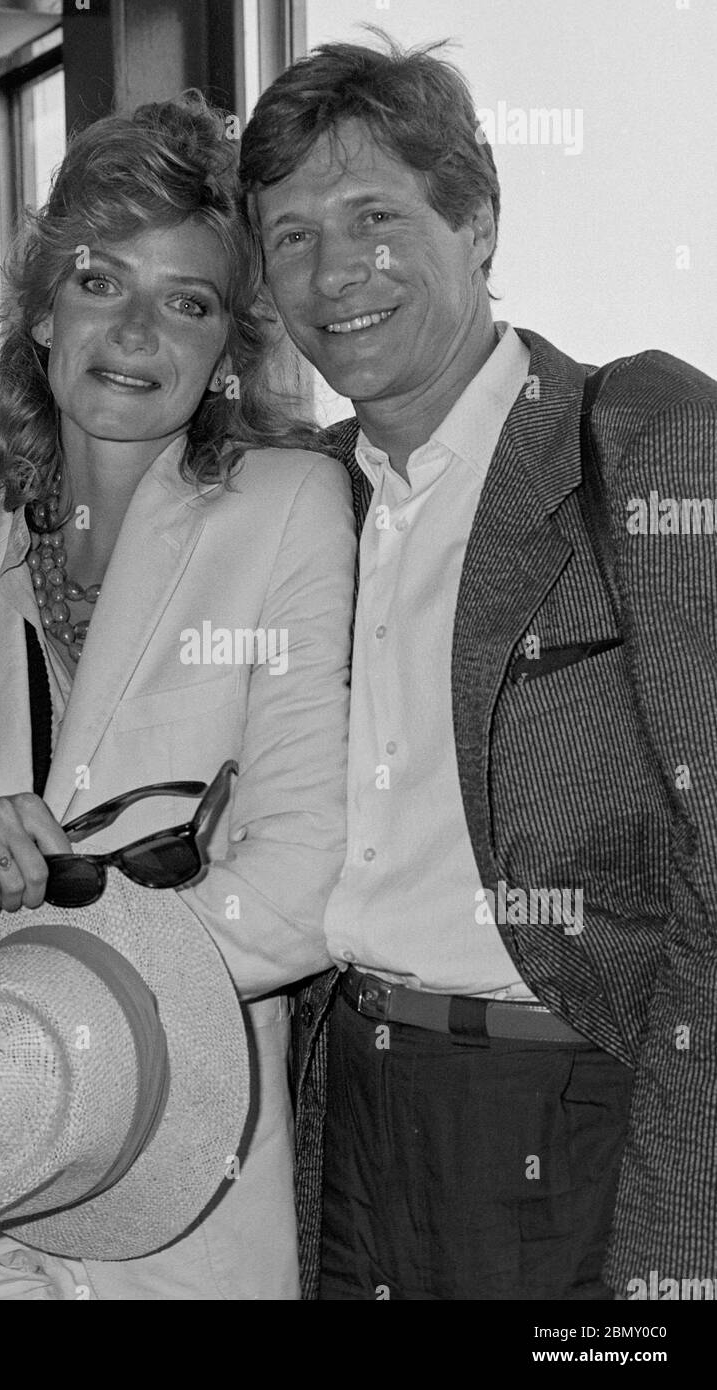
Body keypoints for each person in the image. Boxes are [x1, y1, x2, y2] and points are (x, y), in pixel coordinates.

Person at [0, 92, 355, 1300]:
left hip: (182, 1197)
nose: (139, 330)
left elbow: (306, 880)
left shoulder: (289, 514)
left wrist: (54, 998)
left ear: (223, 357)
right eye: (104, 283)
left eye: (187, 302)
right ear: (45, 312)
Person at [240, 37, 717, 1300]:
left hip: (570, 1120)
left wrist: (680, 1249)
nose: (335, 271)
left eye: (376, 216)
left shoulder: (642, 441)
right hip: (348, 1108)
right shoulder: (304, 505)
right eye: (290, 236)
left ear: (479, 217)